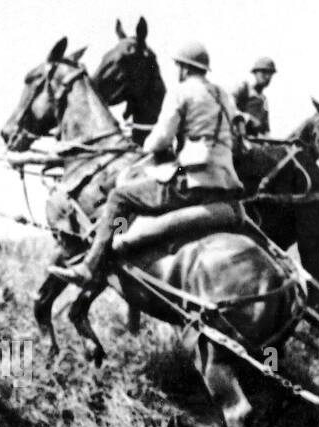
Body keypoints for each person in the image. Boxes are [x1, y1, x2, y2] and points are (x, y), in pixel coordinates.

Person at [51, 42, 244, 287]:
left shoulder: (181, 91)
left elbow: (160, 140)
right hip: (226, 181)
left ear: (184, 68)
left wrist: (150, 145)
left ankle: (94, 261)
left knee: (120, 197)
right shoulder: (224, 95)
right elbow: (238, 140)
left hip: (192, 178)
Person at [233, 56, 276, 137]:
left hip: (255, 140)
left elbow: (266, 129)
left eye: (270, 74)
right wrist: (248, 118)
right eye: (264, 72)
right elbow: (229, 106)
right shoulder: (244, 88)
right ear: (255, 73)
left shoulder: (264, 100)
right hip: (238, 136)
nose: (267, 77)